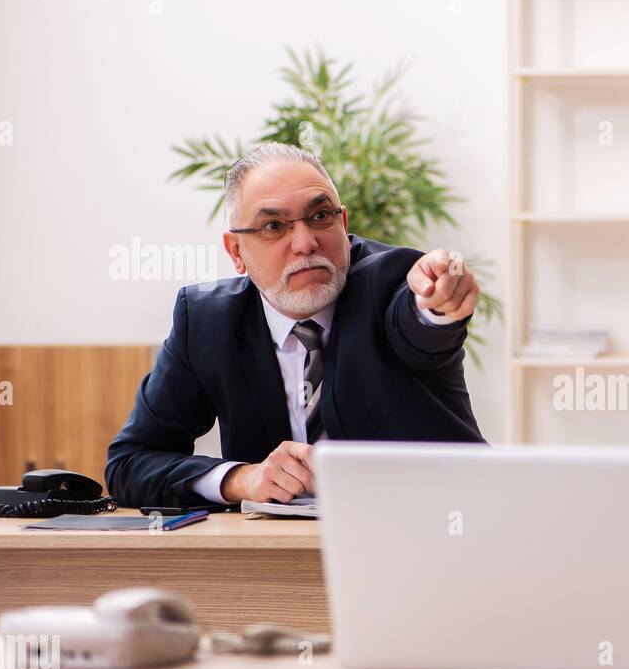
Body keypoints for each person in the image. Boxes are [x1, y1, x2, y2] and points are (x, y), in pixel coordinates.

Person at [106, 143, 484, 508]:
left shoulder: (389, 283)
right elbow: (131, 463)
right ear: (236, 252)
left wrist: (436, 306)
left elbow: (420, 326)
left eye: (320, 216)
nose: (305, 243)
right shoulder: (207, 323)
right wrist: (242, 479)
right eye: (273, 225)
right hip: (279, 556)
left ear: (343, 222)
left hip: (439, 532)